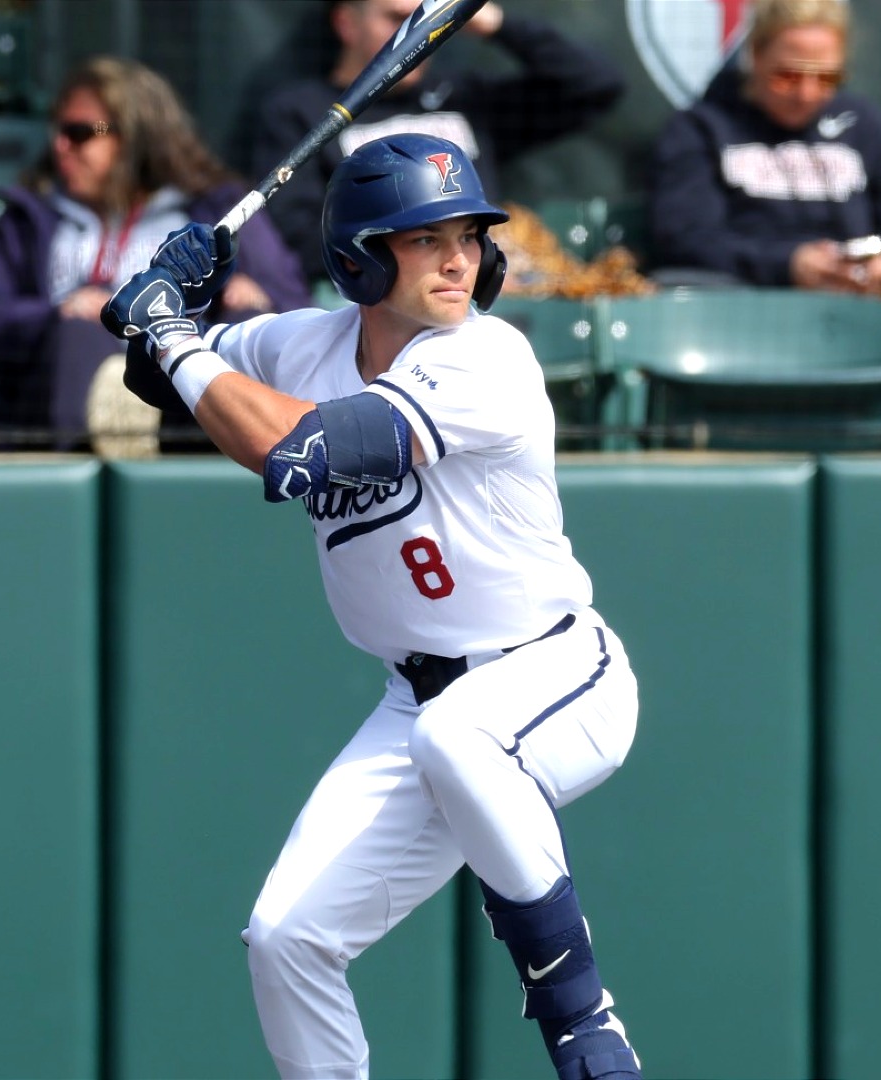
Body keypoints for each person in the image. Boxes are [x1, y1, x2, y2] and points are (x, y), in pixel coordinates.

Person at [101, 133, 642, 1080]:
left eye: (468, 236)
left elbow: (300, 451)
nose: (458, 259)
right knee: (286, 939)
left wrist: (172, 336)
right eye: (426, 238)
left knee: (458, 738)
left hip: (554, 671)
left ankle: (584, 1025)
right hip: (418, 701)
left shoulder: (487, 357)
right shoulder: (300, 343)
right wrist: (165, 303)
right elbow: (167, 381)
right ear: (360, 257)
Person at [0, 56, 306, 453]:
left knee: (246, 320)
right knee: (79, 333)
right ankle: (83, 469)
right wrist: (54, 315)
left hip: (181, 402)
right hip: (58, 405)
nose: (60, 146)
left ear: (136, 136)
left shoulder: (218, 210)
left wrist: (250, 295)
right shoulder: (24, 216)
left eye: (80, 132)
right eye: (58, 130)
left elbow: (293, 310)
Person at [249, 0, 625, 286]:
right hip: (379, 295)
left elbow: (596, 86)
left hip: (489, 289)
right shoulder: (305, 112)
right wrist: (427, 266)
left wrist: (493, 22)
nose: (416, 35)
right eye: (398, 19)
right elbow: (297, 234)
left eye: (424, 19)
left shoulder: (465, 98)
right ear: (346, 23)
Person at [647, 0, 881, 292]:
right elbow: (686, 238)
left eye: (826, 78)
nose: (806, 94)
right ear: (755, 55)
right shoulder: (702, 129)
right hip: (748, 305)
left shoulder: (861, 122)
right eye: (787, 77)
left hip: (859, 304)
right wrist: (788, 264)